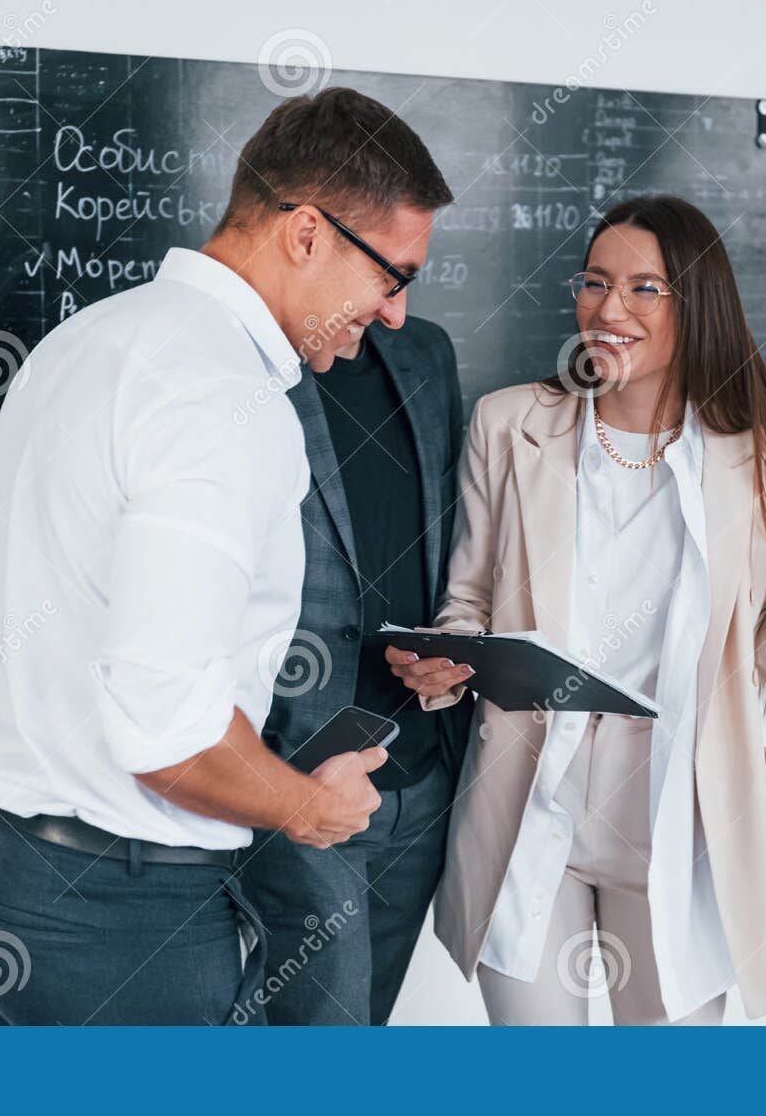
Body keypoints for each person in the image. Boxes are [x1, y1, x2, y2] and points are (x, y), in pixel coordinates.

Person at [0, 87, 453, 1025]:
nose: (398, 313)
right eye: (392, 275)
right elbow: (166, 736)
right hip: (114, 914)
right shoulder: (222, 398)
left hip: (1, 863)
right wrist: (307, 808)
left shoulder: (93, 336)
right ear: (305, 234)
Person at [387, 195, 766, 1025]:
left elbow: (759, 647)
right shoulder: (510, 425)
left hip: (680, 814)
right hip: (532, 809)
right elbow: (468, 602)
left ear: (695, 304)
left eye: (644, 289)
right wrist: (444, 663)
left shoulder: (763, 454)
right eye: (594, 283)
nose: (609, 308)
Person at [239, 310, 472, 1025]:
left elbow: (454, 535)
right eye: (388, 270)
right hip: (296, 768)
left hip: (421, 772)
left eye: (410, 276)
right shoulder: (241, 361)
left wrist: (456, 643)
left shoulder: (426, 350)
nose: (395, 306)